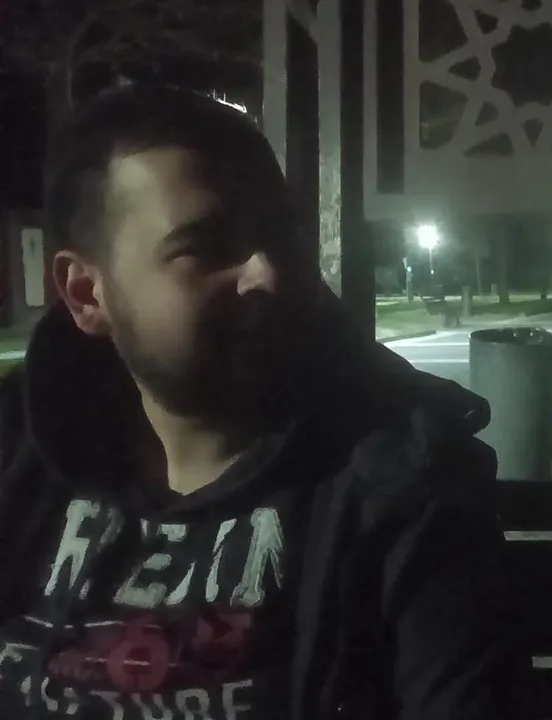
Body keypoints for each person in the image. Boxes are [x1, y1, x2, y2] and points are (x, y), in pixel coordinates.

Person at [0, 86, 517, 719]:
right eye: (204, 247)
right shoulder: (16, 458)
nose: (267, 273)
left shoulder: (404, 484)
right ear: (86, 293)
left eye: (282, 235)